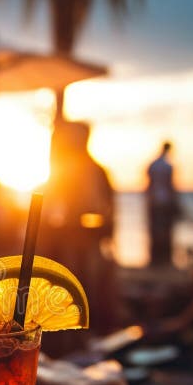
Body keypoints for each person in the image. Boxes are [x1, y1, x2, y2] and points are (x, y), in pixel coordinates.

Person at [38, 121, 118, 339]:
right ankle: (71, 336)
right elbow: (52, 205)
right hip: (67, 239)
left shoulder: (94, 171)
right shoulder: (65, 169)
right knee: (69, 289)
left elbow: (108, 208)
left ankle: (85, 335)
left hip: (87, 240)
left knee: (87, 288)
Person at [145, 141, 179, 267]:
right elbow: (170, 186)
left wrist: (148, 200)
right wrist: (175, 202)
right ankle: (165, 260)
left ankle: (154, 260)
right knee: (165, 231)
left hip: (153, 201)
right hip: (165, 202)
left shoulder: (153, 165)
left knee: (154, 231)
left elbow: (149, 184)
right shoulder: (167, 166)